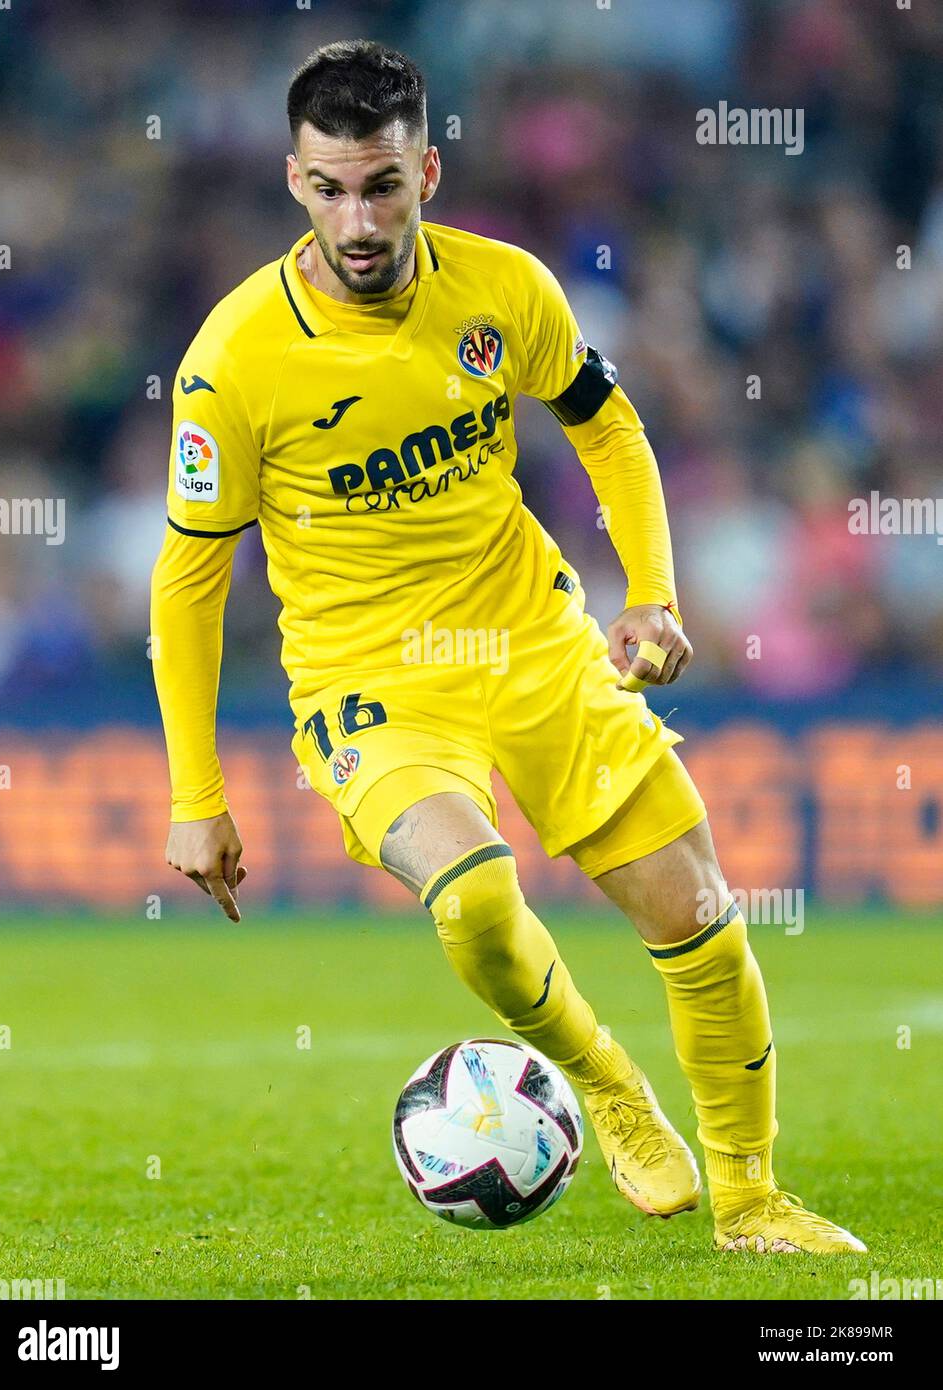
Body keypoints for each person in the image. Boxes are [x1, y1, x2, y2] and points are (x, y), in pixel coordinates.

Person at [150, 39, 864, 1254]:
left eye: (381, 184)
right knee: (478, 899)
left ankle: (749, 1200)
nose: (357, 219)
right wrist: (196, 793)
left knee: (695, 909)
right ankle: (607, 1084)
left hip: (535, 638)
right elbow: (191, 579)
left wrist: (652, 592)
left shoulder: (506, 288)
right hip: (369, 679)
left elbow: (610, 427)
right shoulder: (233, 359)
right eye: (328, 188)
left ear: (428, 168)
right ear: (291, 182)